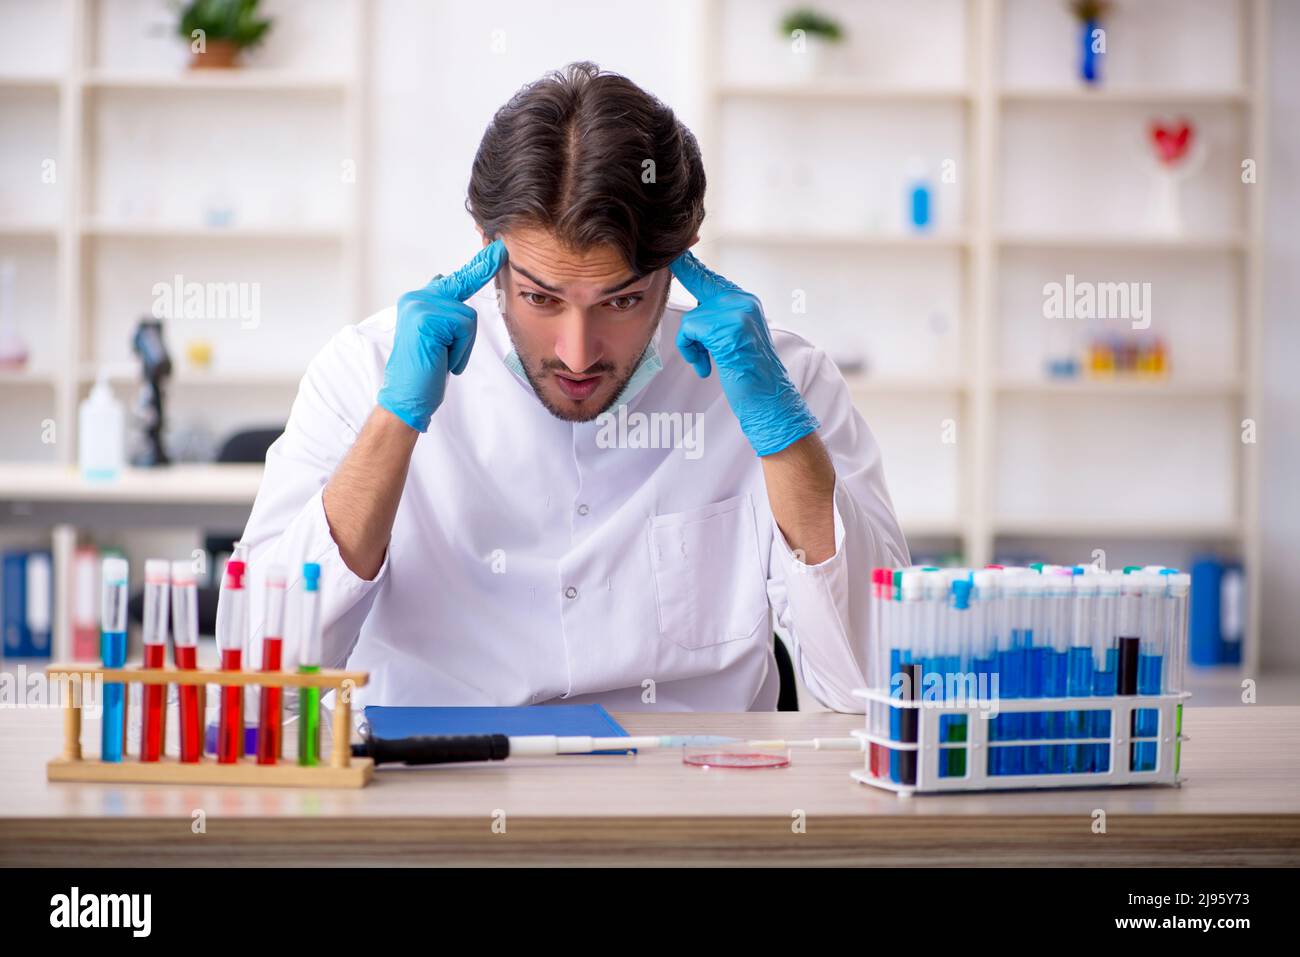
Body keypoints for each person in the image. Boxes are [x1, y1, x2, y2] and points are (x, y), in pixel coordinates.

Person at [241, 62, 908, 712]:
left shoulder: (781, 380)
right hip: (434, 792)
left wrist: (781, 434)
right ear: (484, 246)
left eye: (620, 301)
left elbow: (868, 684)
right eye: (540, 296)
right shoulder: (363, 370)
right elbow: (260, 673)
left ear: (682, 256)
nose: (577, 352)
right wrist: (393, 420)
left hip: (691, 800)